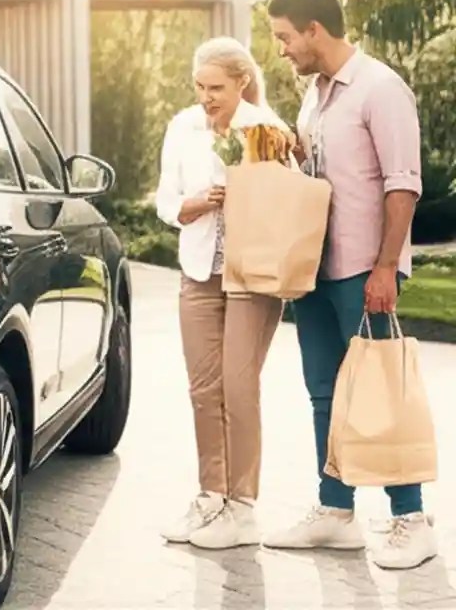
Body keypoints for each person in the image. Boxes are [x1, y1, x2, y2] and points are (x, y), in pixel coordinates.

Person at [262, 0, 437, 570]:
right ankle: (335, 512)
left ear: (315, 29)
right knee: (324, 394)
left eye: (286, 37)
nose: (282, 48)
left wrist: (386, 266)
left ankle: (410, 518)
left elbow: (402, 183)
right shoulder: (314, 94)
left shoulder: (381, 89)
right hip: (315, 269)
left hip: (365, 270)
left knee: (381, 391)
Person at [155, 36, 292, 550]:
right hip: (198, 270)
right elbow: (165, 199)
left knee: (238, 387)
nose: (207, 96)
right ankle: (210, 498)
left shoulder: (268, 130)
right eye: (200, 87)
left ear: (242, 83)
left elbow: (289, 202)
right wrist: (189, 206)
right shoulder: (183, 127)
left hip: (252, 274)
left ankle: (244, 507)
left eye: (217, 87)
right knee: (202, 389)